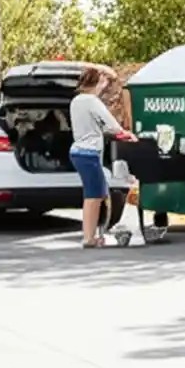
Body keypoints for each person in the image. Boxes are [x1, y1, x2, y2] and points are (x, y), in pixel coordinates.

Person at [69, 67, 136, 248]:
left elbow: (95, 127)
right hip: (89, 153)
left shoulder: (76, 101)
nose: (104, 88)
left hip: (78, 152)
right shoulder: (91, 101)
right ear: (95, 83)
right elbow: (112, 124)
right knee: (94, 195)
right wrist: (126, 134)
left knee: (94, 194)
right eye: (102, 83)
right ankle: (89, 238)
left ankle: (92, 235)